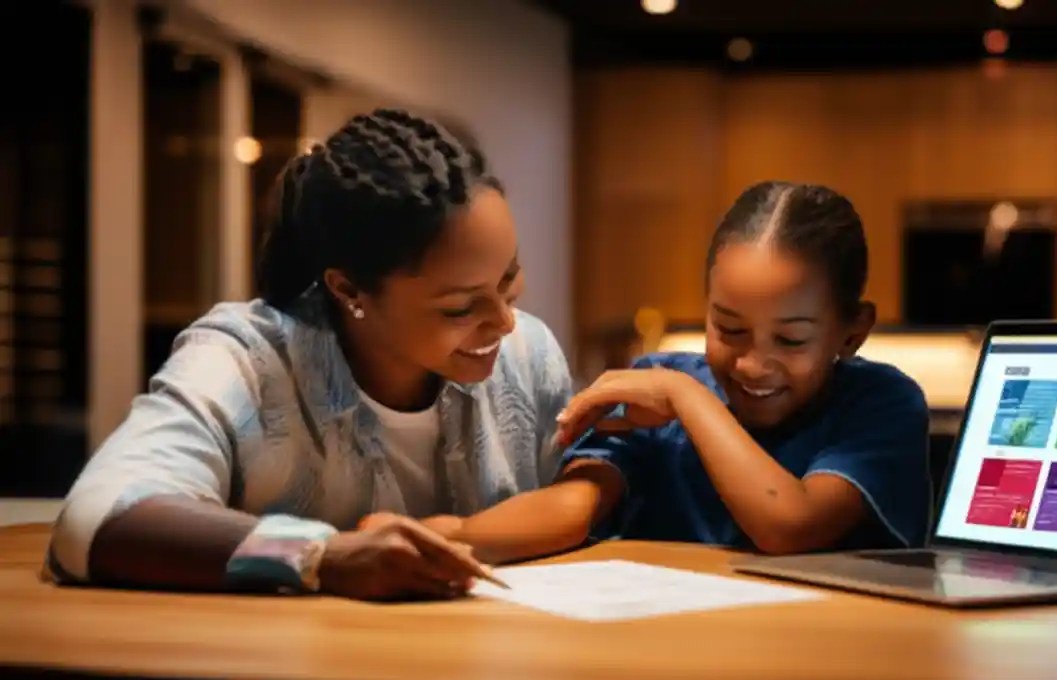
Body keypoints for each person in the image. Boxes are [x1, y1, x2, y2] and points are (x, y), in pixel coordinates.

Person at [43, 109, 573, 600]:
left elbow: (588, 500)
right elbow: (95, 520)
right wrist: (325, 555)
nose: (504, 321)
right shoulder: (247, 361)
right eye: (461, 307)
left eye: (508, 279)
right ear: (348, 290)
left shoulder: (526, 355)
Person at [403, 180, 932, 563]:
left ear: (852, 330)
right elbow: (574, 503)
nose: (752, 363)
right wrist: (449, 536)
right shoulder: (657, 381)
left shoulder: (880, 403)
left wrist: (685, 397)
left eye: (791, 339)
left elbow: (789, 525)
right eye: (729, 329)